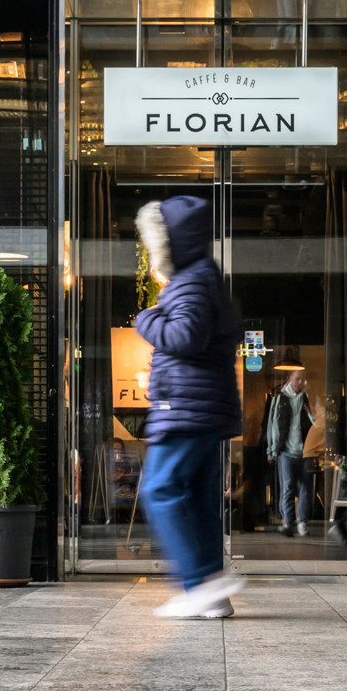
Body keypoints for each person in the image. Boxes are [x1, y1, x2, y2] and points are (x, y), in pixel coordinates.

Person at [133, 194, 245, 619]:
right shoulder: (202, 277)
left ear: (169, 242)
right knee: (198, 499)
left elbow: (185, 338)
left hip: (185, 408)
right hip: (200, 408)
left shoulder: (192, 281)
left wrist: (146, 318)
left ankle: (200, 583)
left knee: (160, 489)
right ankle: (212, 593)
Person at [263, 364, 315, 537]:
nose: (300, 382)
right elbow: (272, 425)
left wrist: (310, 406)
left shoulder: (307, 397)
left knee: (306, 489)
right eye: (297, 378)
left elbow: (317, 422)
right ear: (289, 379)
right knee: (288, 487)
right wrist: (272, 450)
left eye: (302, 379)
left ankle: (302, 522)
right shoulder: (279, 398)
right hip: (286, 451)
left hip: (306, 451)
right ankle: (288, 521)